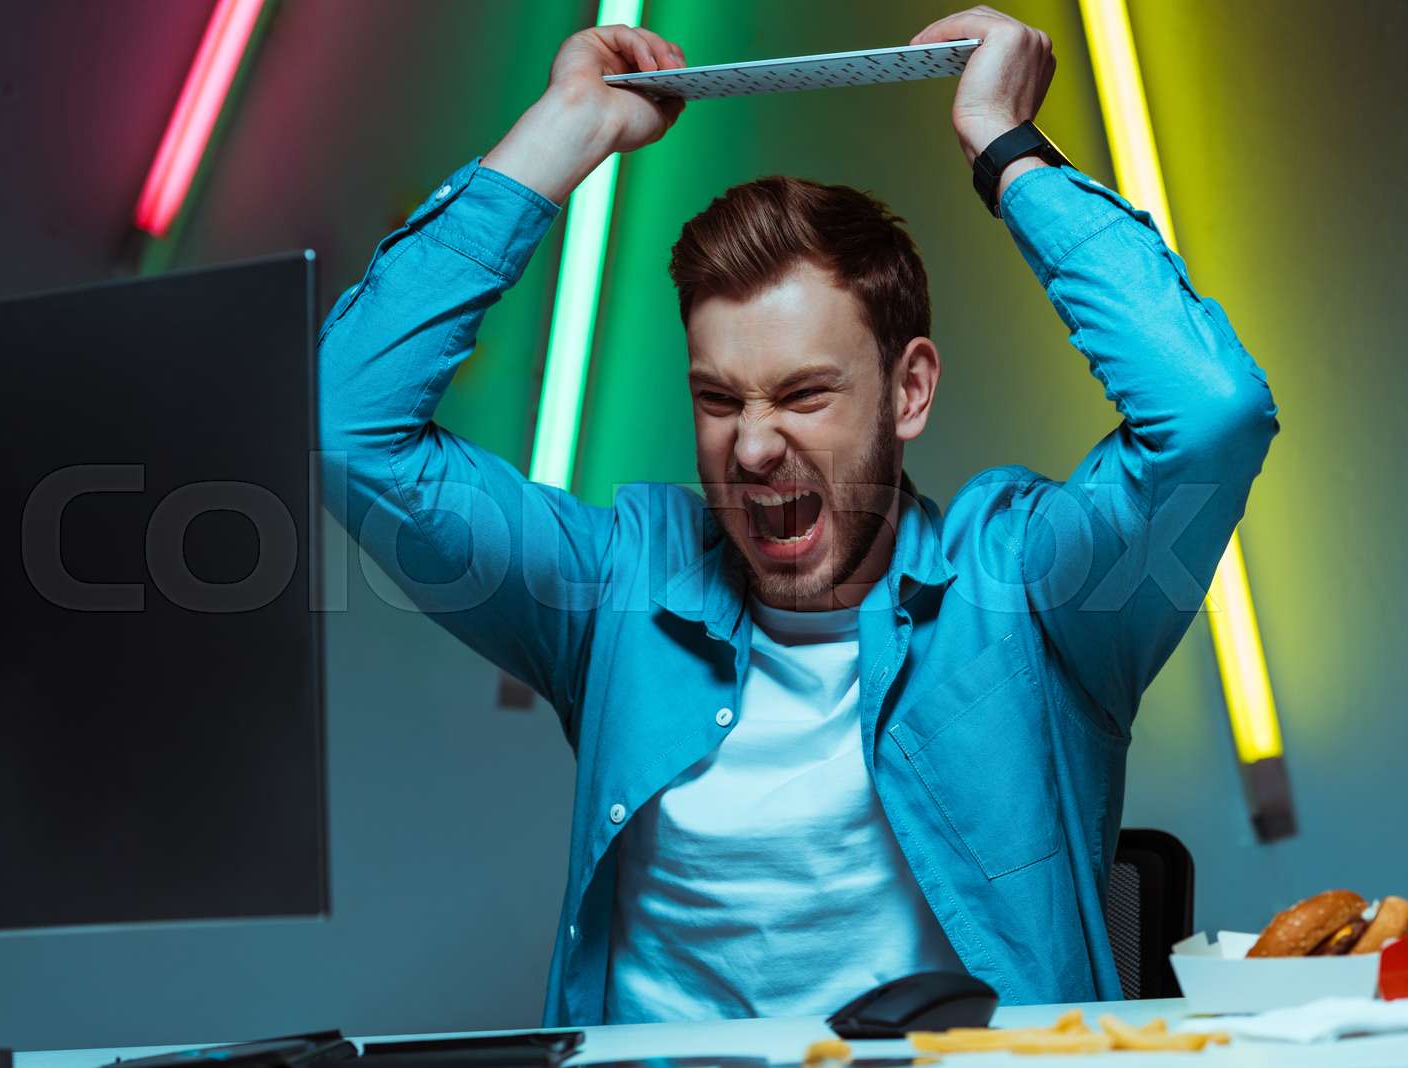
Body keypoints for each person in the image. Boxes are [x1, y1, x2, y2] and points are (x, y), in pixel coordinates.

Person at [317, 4, 1278, 1027]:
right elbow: (345, 423)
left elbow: (1208, 412)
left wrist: (1006, 147)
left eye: (803, 395)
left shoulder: (1031, 595)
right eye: (719, 399)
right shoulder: (612, 595)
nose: (754, 445)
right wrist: (563, 131)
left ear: (908, 392)